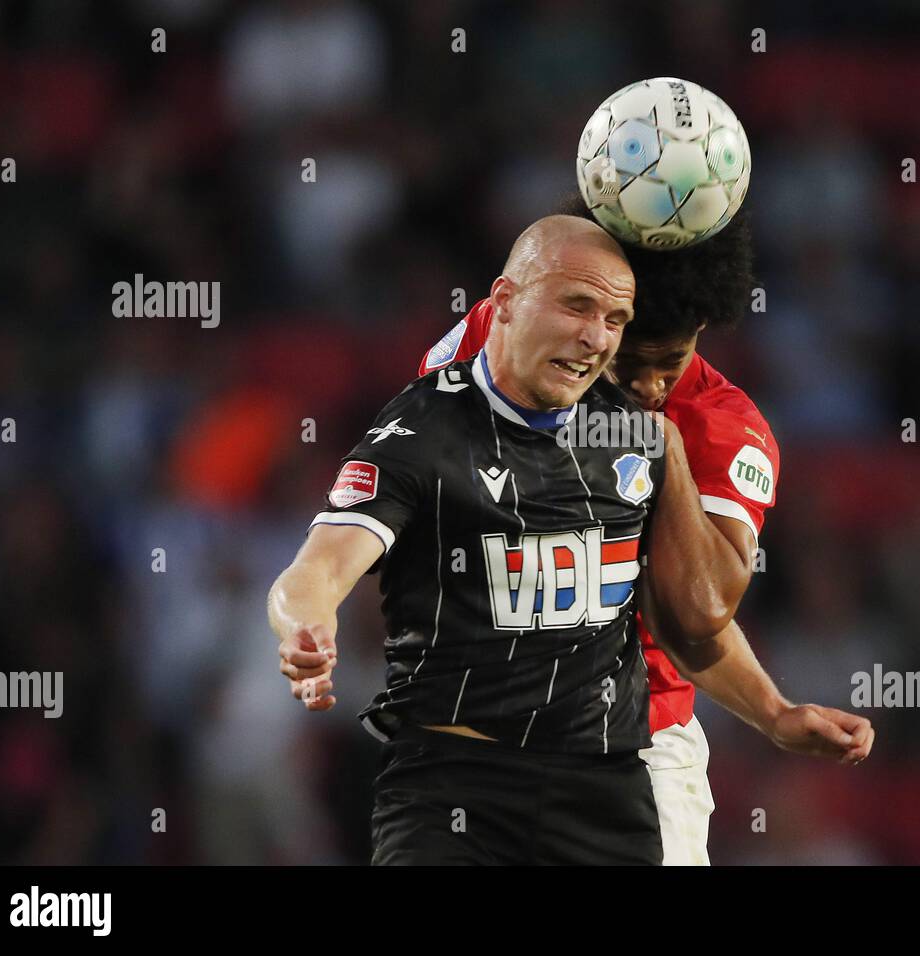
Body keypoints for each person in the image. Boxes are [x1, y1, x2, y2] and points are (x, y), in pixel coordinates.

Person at [418, 206, 876, 865]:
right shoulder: (503, 338)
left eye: (671, 363)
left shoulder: (723, 428)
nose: (646, 387)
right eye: (629, 361)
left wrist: (666, 461)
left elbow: (694, 618)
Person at [268, 214, 729, 865]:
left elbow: (701, 616)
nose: (596, 337)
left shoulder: (636, 436)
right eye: (577, 306)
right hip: (454, 791)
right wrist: (304, 624)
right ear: (505, 303)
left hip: (602, 791)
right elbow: (318, 566)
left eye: (615, 319)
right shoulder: (423, 429)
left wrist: (672, 455)